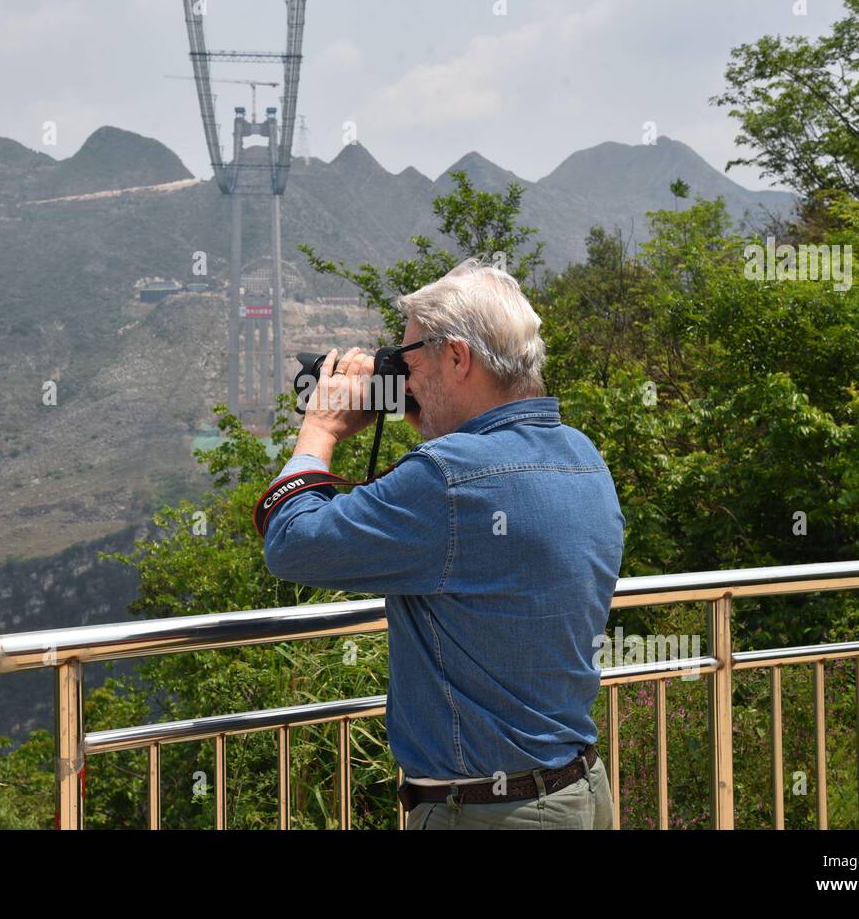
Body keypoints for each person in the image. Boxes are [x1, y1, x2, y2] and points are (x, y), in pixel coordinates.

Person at [261, 257, 625, 829]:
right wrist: (430, 415)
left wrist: (321, 428)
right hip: (580, 792)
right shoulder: (580, 455)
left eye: (406, 362)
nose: (401, 381)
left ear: (456, 357)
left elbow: (290, 541)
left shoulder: (448, 481)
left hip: (488, 814)